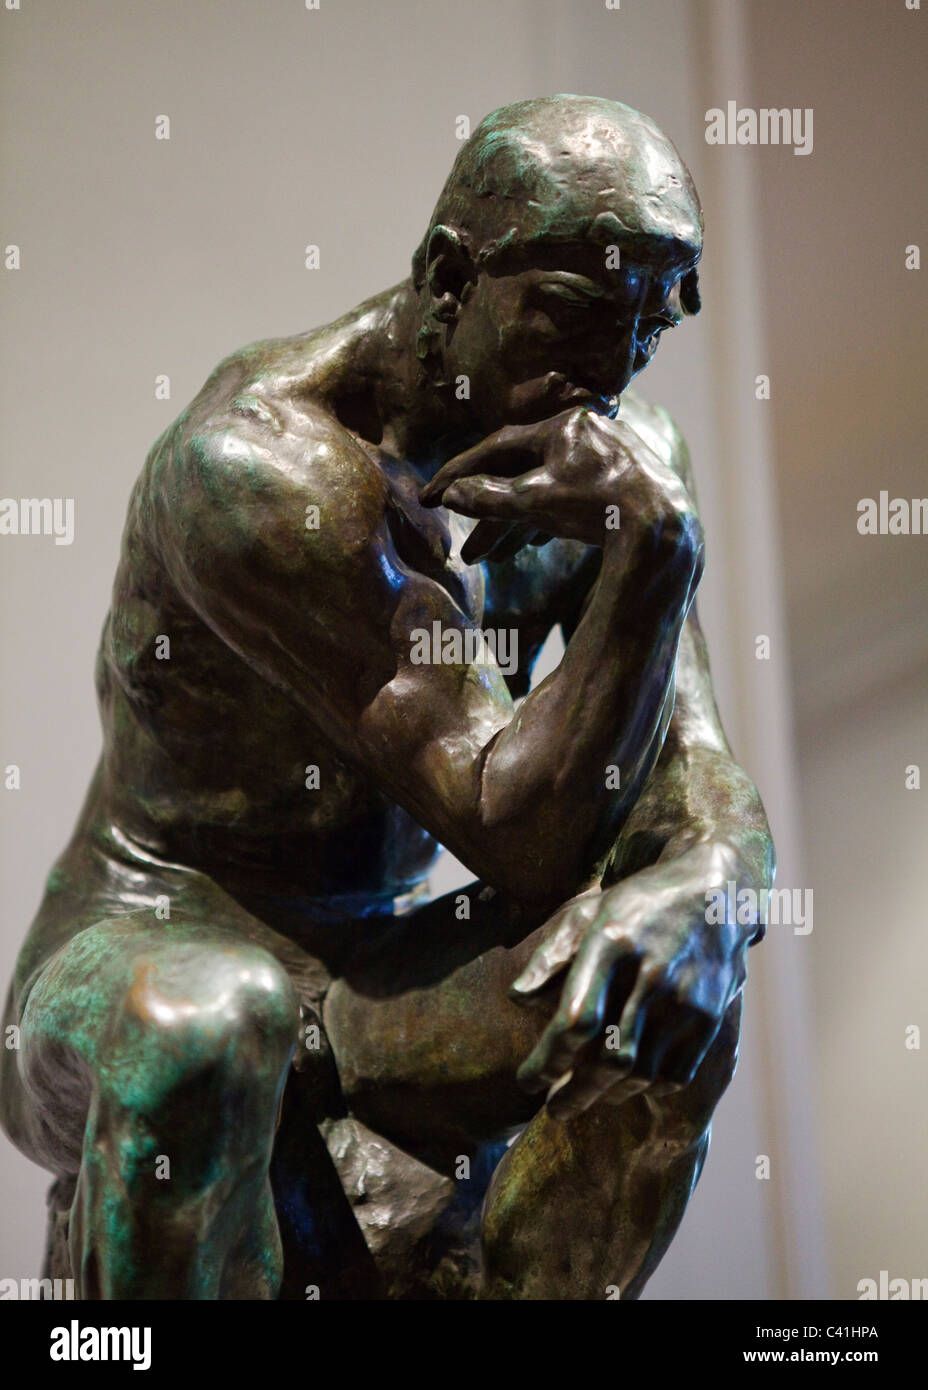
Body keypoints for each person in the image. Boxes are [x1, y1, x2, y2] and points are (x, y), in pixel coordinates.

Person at [0, 95, 774, 1299]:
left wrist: (709, 891)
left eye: (646, 331)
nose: (608, 376)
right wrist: (652, 558)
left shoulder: (607, 468)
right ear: (448, 277)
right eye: (572, 320)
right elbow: (514, 833)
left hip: (367, 982)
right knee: (208, 1023)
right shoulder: (258, 470)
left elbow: (705, 790)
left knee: (657, 978)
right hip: (154, 938)